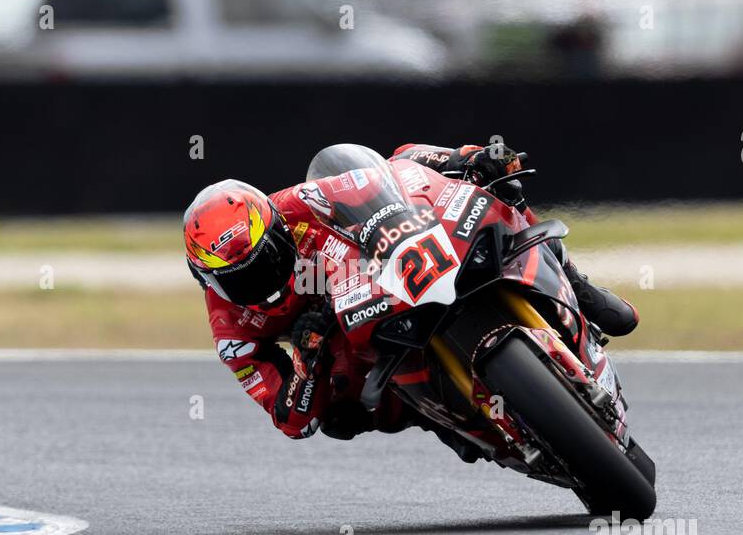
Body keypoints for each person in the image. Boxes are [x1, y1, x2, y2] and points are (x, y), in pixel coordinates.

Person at [182, 141, 638, 450]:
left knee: (493, 186)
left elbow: (397, 170)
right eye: (237, 279)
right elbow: (293, 422)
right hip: (349, 339)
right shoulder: (231, 331)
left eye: (264, 260)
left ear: (277, 228)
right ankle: (443, 415)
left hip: (387, 267)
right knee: (340, 417)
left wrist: (467, 159)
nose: (256, 281)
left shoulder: (299, 203)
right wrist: (305, 363)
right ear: (209, 281)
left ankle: (574, 282)